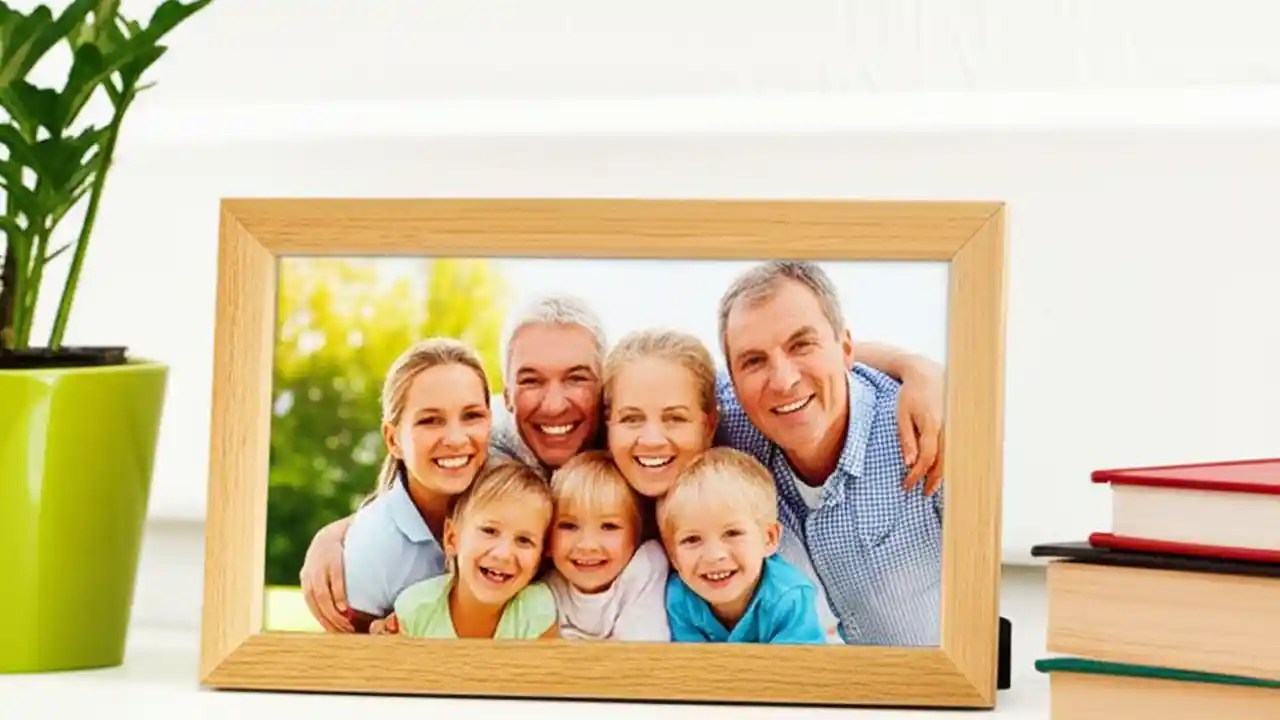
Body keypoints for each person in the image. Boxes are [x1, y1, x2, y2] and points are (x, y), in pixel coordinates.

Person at [300, 293, 945, 632]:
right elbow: (426, 455)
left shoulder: (695, 418)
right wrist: (344, 531)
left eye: (577, 379)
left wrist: (919, 367)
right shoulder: (498, 441)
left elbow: (787, 368)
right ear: (506, 391)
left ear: (602, 394)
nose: (554, 403)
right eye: (530, 381)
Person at [715, 260, 945, 646]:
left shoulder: (925, 428)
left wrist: (923, 370)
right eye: (753, 361)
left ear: (846, 348)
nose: (784, 381)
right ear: (733, 381)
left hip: (926, 699)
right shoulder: (725, 423)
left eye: (801, 344)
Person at [336, 338, 493, 633]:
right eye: (431, 420)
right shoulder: (373, 546)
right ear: (393, 440)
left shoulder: (517, 491)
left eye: (472, 416)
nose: (456, 439)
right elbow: (351, 663)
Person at [371, 461, 560, 640]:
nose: (503, 554)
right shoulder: (416, 610)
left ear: (540, 556)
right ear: (452, 538)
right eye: (489, 531)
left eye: (524, 540)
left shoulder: (536, 610)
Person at [659, 447, 826, 644]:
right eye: (692, 539)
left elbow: (796, 671)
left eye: (732, 533)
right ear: (674, 556)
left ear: (769, 538)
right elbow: (692, 669)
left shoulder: (790, 598)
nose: (714, 555)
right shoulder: (679, 598)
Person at [543, 450, 670, 641]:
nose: (588, 545)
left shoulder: (645, 568)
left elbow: (641, 651)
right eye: (569, 526)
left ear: (636, 536)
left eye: (609, 526)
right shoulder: (545, 591)